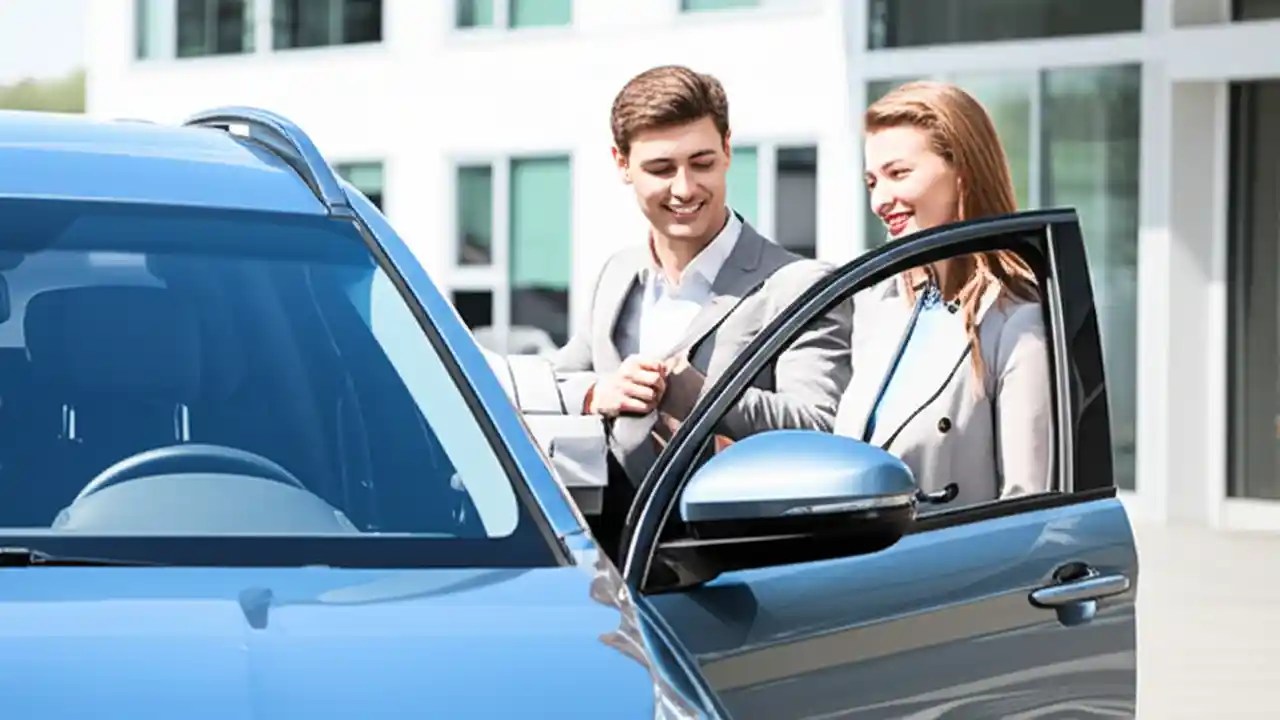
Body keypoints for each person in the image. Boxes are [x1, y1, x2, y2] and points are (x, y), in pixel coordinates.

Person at [552, 65, 852, 538]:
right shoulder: (616, 274)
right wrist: (597, 393)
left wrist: (693, 393)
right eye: (661, 168)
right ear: (621, 164)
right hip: (614, 566)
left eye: (702, 163)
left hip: (738, 573)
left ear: (728, 150)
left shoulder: (799, 285)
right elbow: (557, 379)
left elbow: (818, 428)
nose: (685, 188)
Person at [833, 81, 1052, 508]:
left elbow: (1026, 506)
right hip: (856, 570)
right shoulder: (880, 307)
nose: (880, 200)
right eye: (872, 181)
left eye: (899, 174)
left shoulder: (1016, 322)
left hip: (944, 569)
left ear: (962, 173)